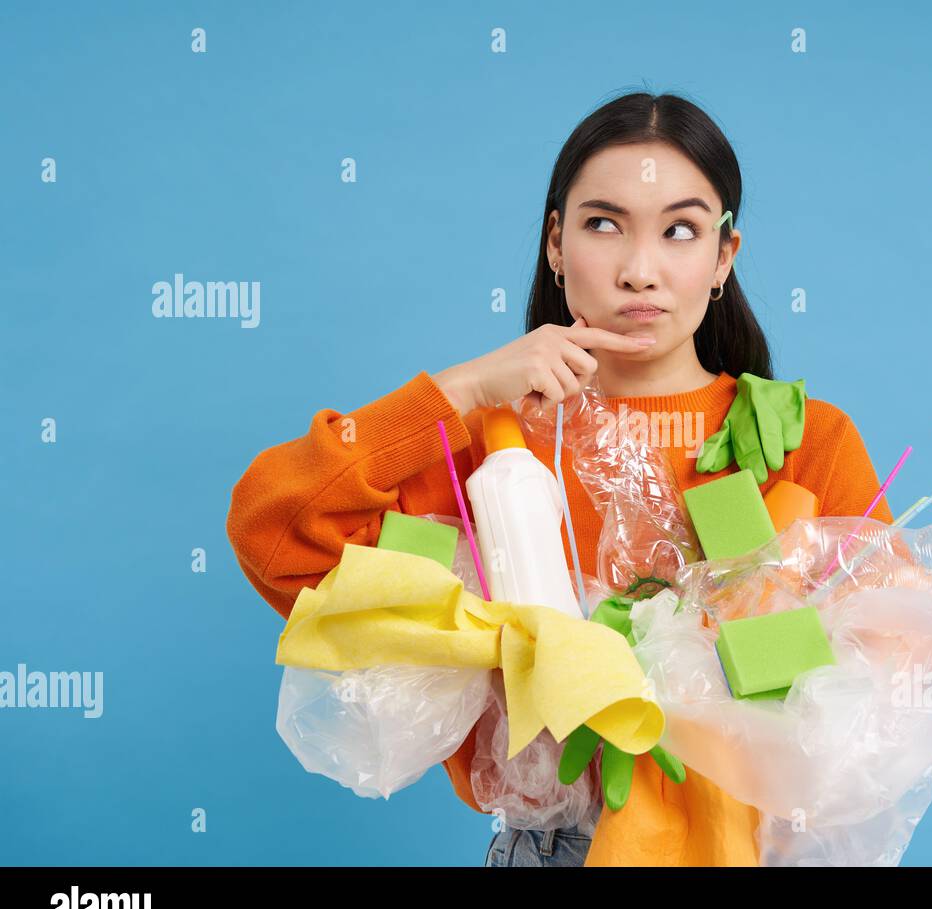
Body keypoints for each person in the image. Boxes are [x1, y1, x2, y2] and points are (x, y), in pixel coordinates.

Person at [226, 89, 894, 867]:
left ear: (723, 258)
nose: (640, 271)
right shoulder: (489, 447)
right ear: (555, 243)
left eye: (680, 230)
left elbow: (889, 669)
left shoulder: (805, 442)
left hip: (749, 846)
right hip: (553, 848)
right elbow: (274, 530)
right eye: (604, 224)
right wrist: (465, 388)